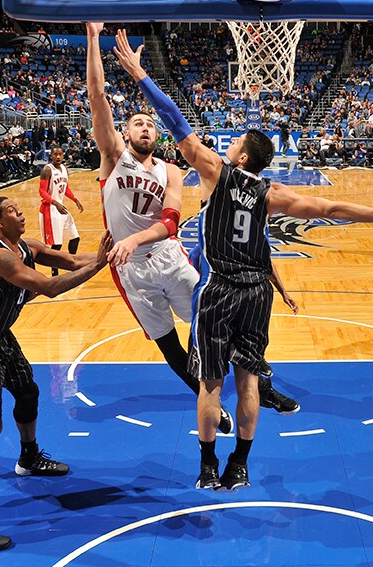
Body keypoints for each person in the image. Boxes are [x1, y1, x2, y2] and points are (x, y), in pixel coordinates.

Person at [113, 29, 373, 492]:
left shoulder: (215, 174)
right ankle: (240, 465)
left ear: (238, 154)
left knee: (210, 385)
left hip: (219, 289)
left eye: (234, 142)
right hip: (257, 292)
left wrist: (141, 74)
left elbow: (174, 118)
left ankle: (206, 467)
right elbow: (333, 210)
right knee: (249, 383)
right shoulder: (272, 193)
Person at [86, 22, 293, 427]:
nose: (145, 127)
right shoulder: (112, 158)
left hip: (166, 254)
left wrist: (136, 239)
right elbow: (98, 99)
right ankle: (210, 403)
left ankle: (262, 385)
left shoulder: (172, 171)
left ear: (156, 133)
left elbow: (170, 221)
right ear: (125, 133)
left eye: (150, 123)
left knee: (220, 325)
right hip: (129, 270)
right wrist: (94, 39)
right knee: (169, 347)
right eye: (137, 123)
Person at [0, 197, 110, 551]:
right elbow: (49, 287)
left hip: (1, 335)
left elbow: (69, 260)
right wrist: (98, 266)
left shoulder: (27, 247)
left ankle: (29, 456)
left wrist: (109, 257)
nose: (21, 213)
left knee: (28, 392)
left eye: (20, 209)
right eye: (13, 211)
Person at [38, 146, 84, 276]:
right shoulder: (47, 170)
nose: (58, 157)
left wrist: (75, 199)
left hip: (61, 206)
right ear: (51, 155)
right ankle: (54, 274)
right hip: (50, 209)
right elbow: (41, 191)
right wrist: (55, 202)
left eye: (60, 154)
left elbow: (65, 188)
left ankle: (69, 265)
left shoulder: (64, 169)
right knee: (56, 245)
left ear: (63, 155)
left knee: (75, 238)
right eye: (55, 154)